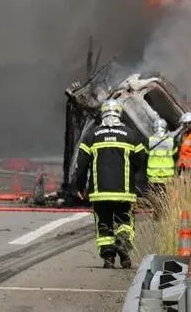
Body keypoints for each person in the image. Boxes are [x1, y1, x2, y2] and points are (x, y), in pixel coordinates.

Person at [74, 99, 148, 269]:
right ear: (120, 114)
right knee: (124, 220)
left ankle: (108, 258)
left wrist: (79, 185)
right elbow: (140, 160)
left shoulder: (91, 135)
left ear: (103, 113)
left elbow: (82, 164)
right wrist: (130, 173)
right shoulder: (131, 135)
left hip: (100, 193)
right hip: (124, 191)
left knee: (104, 223)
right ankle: (122, 242)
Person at [146, 117, 176, 214]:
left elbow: (145, 153)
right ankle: (165, 214)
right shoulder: (171, 141)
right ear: (165, 128)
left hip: (153, 175)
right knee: (165, 196)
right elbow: (175, 154)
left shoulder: (150, 141)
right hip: (167, 175)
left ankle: (157, 213)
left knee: (155, 196)